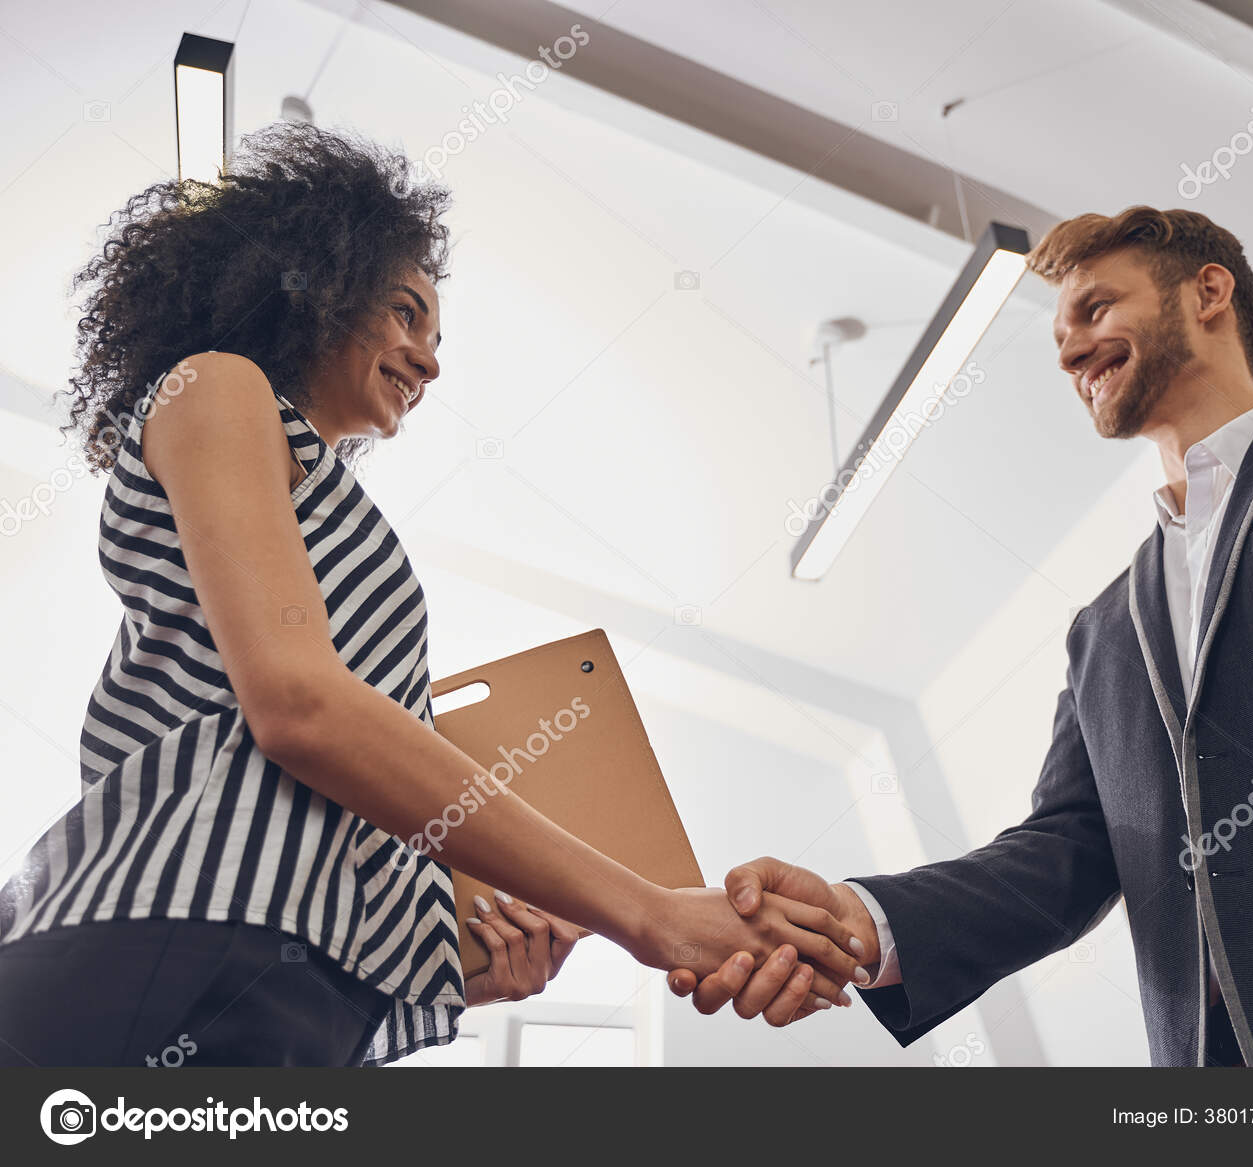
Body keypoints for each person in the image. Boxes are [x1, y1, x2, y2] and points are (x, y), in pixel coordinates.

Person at [0, 122, 864, 1068]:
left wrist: (456, 960)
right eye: (406, 312)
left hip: (298, 986)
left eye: (437, 334)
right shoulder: (218, 388)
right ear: (316, 283)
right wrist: (649, 913)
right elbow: (300, 709)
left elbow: (326, 786)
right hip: (175, 923)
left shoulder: (321, 489)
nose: (430, 358)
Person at [669, 206, 1253, 1066]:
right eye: (1059, 334)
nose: (1071, 349)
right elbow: (1063, 857)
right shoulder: (1103, 631)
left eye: (1094, 306)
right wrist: (851, 918)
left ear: (1208, 291)